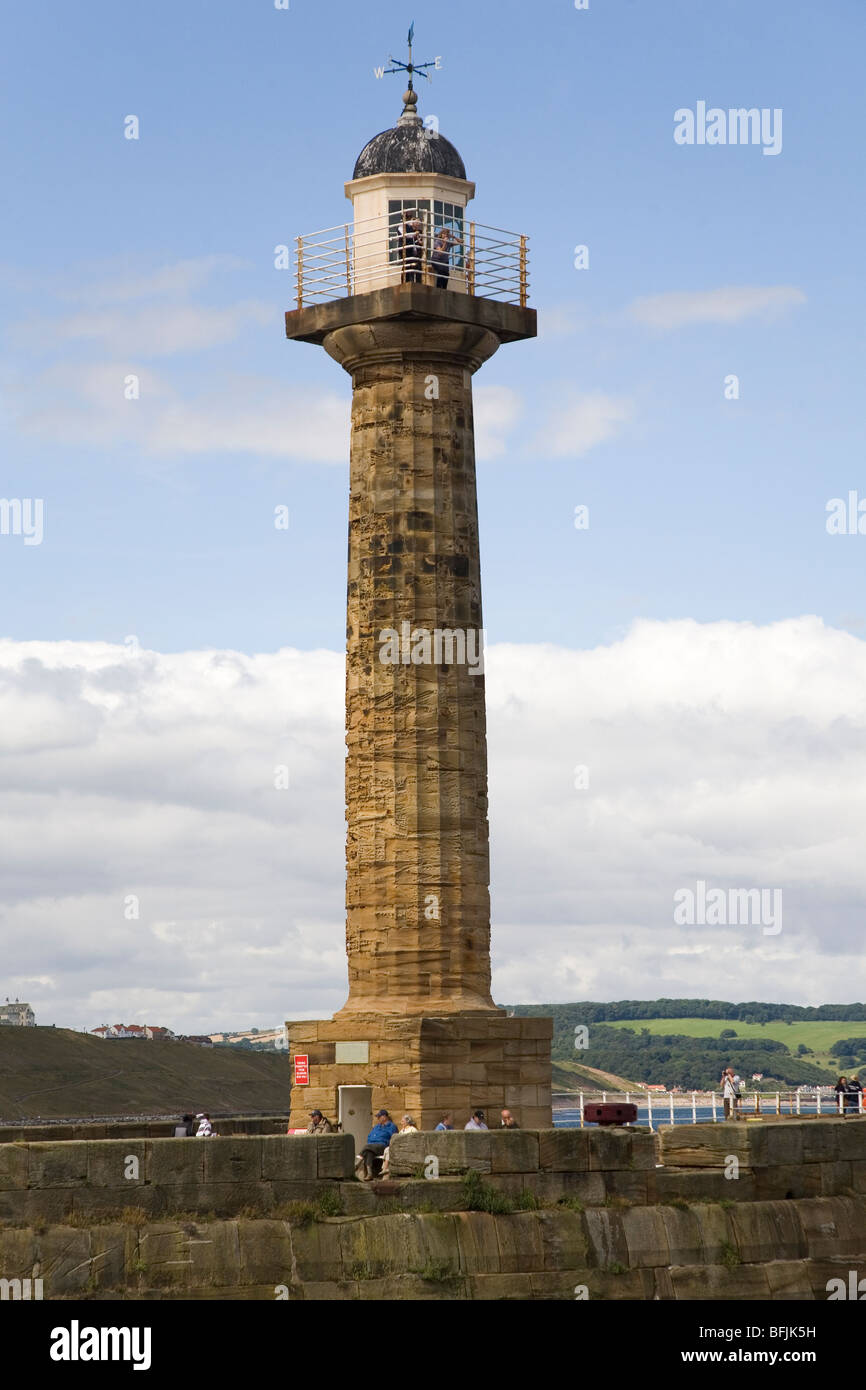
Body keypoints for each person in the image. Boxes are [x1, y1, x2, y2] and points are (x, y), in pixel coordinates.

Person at [359, 1109, 398, 1179]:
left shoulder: (391, 1126)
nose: (378, 1118)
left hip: (382, 1146)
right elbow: (369, 1136)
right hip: (372, 1146)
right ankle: (369, 1173)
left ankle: (357, 1162)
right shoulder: (377, 1126)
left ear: (384, 1117)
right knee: (368, 1152)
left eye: (379, 1117)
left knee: (367, 1147)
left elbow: (393, 1138)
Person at [402, 214, 423, 283]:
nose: (418, 224)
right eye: (416, 222)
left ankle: (418, 283)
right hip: (410, 251)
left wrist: (419, 239)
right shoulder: (408, 230)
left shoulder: (420, 232)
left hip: (418, 252)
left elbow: (422, 242)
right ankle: (406, 281)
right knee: (408, 266)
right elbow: (406, 238)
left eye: (418, 223)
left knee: (418, 267)